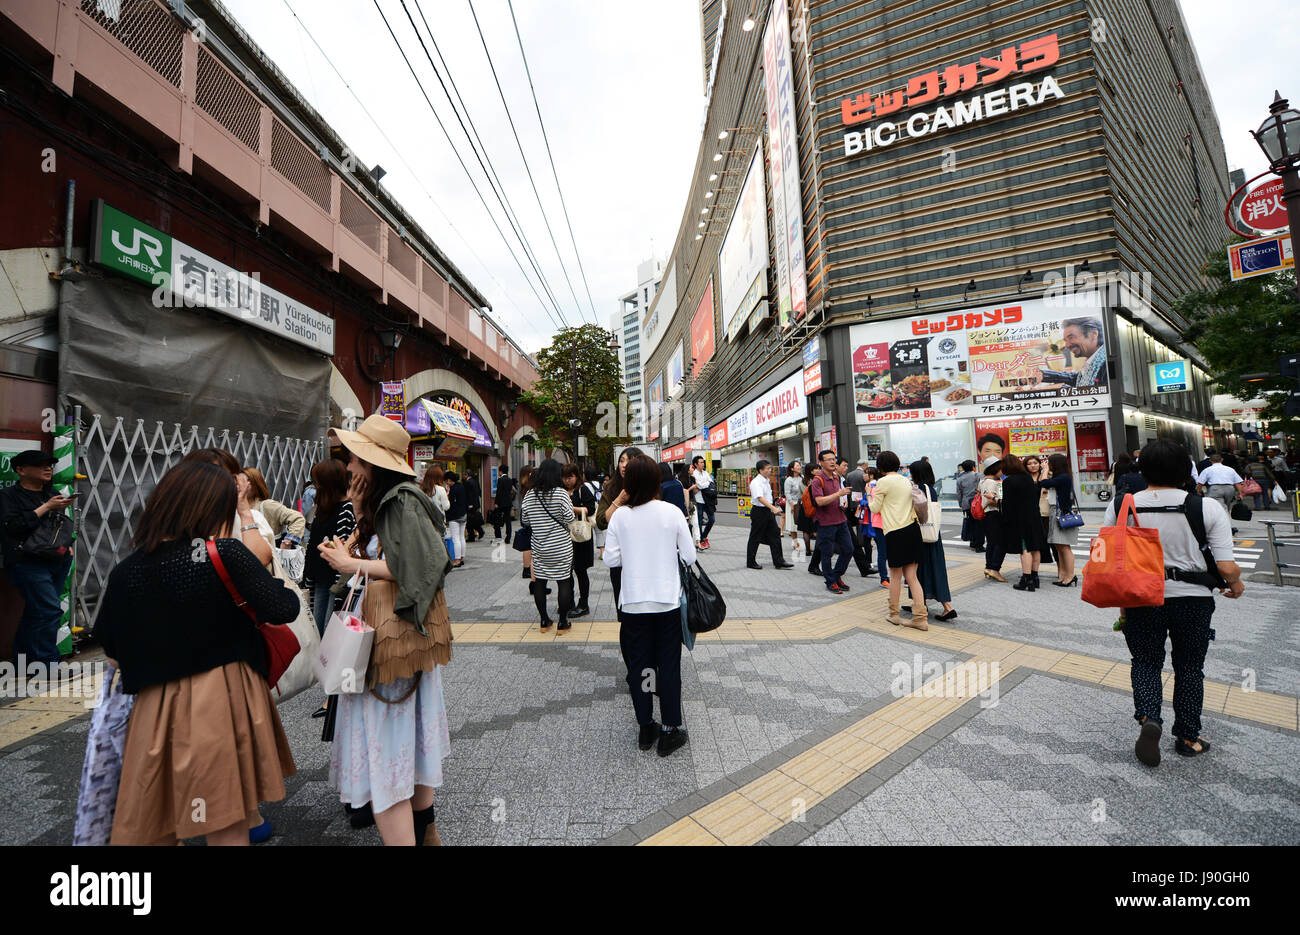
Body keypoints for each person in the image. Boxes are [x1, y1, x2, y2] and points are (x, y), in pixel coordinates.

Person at [94, 461, 301, 845]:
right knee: (225, 822)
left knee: (158, 820)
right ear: (211, 509)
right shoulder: (223, 552)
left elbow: (113, 653)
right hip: (220, 699)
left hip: (153, 711)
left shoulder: (126, 571)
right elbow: (283, 608)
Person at [317, 414, 453, 846]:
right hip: (402, 644)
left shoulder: (398, 501)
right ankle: (426, 831)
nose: (350, 467)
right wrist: (356, 530)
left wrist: (350, 563)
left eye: (355, 457)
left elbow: (416, 567)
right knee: (407, 744)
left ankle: (417, 834)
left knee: (389, 757)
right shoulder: (396, 499)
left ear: (373, 462)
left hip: (392, 646)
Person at [1104, 439, 1244, 765]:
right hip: (1193, 600)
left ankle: (1149, 718)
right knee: (1190, 667)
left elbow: (1112, 556)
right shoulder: (1205, 507)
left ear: (1143, 470)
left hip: (1140, 596)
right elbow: (1225, 566)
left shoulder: (1123, 504)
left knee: (1146, 662)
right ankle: (1188, 737)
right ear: (1186, 471)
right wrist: (1236, 584)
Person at [602, 455, 695, 757]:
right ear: (657, 480)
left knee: (640, 667)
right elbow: (690, 556)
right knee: (668, 665)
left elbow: (611, 560)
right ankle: (670, 730)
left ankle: (645, 727)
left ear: (627, 484)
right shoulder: (672, 512)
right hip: (666, 601)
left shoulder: (620, 517)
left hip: (632, 604)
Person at [1, 450, 74, 670]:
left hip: (56, 560)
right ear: (20, 470)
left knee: (36, 611)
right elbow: (12, 527)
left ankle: (23, 662)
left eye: (50, 464)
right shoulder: (7, 496)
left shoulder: (50, 493)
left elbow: (56, 528)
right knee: (49, 610)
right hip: (27, 562)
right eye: (40, 464)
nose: (48, 468)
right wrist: (46, 508)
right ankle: (47, 666)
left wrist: (67, 546)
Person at [869, 451, 926, 629]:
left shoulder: (882, 482)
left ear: (880, 466)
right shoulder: (905, 479)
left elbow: (874, 508)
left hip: (895, 531)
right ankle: (921, 618)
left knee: (895, 576)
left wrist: (869, 493)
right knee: (912, 577)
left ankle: (894, 614)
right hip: (913, 529)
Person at [303, 459, 358, 636]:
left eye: (317, 481)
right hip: (319, 574)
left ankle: (328, 662)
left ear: (328, 483)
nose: (314, 485)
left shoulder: (346, 509)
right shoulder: (323, 507)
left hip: (335, 578)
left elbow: (343, 545)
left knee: (330, 628)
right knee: (317, 628)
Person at [521, 458, 576, 632]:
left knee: (539, 582)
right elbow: (570, 518)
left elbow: (525, 520)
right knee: (564, 582)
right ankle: (563, 622)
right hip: (561, 546)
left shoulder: (530, 494)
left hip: (539, 546)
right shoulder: (561, 493)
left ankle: (544, 621)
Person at [596, 447, 645, 611]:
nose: (624, 465)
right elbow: (601, 521)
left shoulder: (650, 488)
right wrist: (619, 500)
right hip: (620, 558)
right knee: (623, 609)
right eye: (621, 461)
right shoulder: (611, 488)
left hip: (645, 556)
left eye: (629, 461)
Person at [906, 460, 957, 621]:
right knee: (932, 569)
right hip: (932, 535)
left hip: (922, 535)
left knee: (924, 569)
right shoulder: (931, 488)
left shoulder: (920, 488)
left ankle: (948, 607)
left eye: (911, 472)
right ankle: (919, 602)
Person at [808, 449, 854, 594]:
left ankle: (836, 575)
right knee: (826, 554)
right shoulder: (818, 480)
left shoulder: (836, 477)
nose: (833, 462)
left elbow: (837, 497)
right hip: (825, 522)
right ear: (821, 463)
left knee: (848, 550)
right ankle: (830, 581)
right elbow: (819, 501)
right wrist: (838, 494)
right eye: (828, 459)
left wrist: (842, 501)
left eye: (834, 459)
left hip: (841, 519)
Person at [999, 454, 1047, 591]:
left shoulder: (1008, 481)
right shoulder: (1027, 478)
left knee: (1025, 548)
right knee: (1035, 546)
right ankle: (1035, 576)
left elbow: (1007, 505)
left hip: (1020, 519)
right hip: (1034, 516)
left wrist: (1005, 519)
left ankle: (1026, 579)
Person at [1038, 453, 1080, 586]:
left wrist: (1044, 470)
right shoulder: (1060, 477)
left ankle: (1071, 576)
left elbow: (1043, 483)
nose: (1048, 464)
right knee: (1058, 546)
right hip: (1055, 511)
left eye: (1049, 462)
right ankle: (1063, 576)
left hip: (1061, 512)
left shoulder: (1063, 477)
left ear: (1055, 464)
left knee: (1064, 547)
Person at [241, 466, 307, 548]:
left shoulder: (267, 505)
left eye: (248, 481)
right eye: (239, 482)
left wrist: (288, 541)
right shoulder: (233, 509)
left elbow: (297, 518)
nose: (242, 486)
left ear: (256, 485)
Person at [1033, 317, 1107, 388]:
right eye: (1065, 340)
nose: (1067, 346)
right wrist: (1044, 375)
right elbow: (1078, 378)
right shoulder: (1094, 360)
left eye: (1071, 337)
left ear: (1093, 335)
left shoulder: (1106, 366)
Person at [746, 460, 792, 570]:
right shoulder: (756, 482)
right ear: (761, 470)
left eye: (770, 468)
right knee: (755, 537)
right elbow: (760, 498)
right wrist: (773, 508)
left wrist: (772, 508)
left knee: (775, 534)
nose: (770, 470)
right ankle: (751, 562)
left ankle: (779, 561)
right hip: (759, 512)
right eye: (768, 468)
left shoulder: (766, 480)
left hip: (768, 511)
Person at [563, 463, 595, 618]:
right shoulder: (561, 491)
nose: (567, 480)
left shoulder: (583, 490)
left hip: (581, 536)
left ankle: (583, 604)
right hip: (565, 536)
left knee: (581, 571)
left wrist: (572, 508)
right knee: (566, 571)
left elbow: (591, 509)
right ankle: (568, 602)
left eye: (570, 477)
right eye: (564, 477)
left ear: (576, 476)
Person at [979, 458, 1008, 582]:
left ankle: (988, 567)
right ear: (995, 468)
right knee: (1000, 542)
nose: (1002, 471)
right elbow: (991, 500)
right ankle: (995, 569)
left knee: (991, 542)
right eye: (1001, 469)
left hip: (986, 515)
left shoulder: (983, 481)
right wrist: (1002, 502)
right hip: (994, 514)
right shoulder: (992, 482)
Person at [1024, 454, 1054, 567]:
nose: (1033, 466)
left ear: (1040, 464)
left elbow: (1046, 485)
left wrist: (1045, 471)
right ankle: (1032, 569)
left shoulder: (1046, 476)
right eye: (1029, 464)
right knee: (1033, 543)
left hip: (1045, 512)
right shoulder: (1025, 478)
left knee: (1047, 540)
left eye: (1035, 463)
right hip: (1030, 514)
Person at [866, 467, 889, 586]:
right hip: (880, 524)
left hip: (887, 523)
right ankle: (884, 578)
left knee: (887, 551)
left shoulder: (876, 488)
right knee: (883, 552)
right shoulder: (875, 489)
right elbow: (876, 507)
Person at [955, 460, 983, 552]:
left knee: (970, 523)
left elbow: (959, 494)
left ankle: (972, 542)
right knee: (979, 525)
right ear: (973, 467)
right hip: (977, 503)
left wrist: (960, 504)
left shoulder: (959, 479)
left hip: (966, 504)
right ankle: (979, 546)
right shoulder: (978, 476)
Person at [690, 455, 717, 548]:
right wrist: (704, 485)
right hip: (699, 501)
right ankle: (700, 540)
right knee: (699, 522)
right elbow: (699, 485)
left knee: (712, 519)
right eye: (701, 462)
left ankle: (704, 536)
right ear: (696, 464)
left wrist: (702, 485)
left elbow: (711, 483)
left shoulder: (705, 473)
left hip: (708, 500)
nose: (703, 464)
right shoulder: (694, 474)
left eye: (703, 462)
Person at [444, 471, 467, 567]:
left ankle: (457, 560)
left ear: (449, 480)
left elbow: (450, 504)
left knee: (455, 538)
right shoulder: (461, 486)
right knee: (461, 537)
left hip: (454, 516)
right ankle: (462, 557)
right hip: (463, 515)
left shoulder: (453, 489)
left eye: (446, 481)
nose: (446, 483)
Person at [783, 460, 805, 555]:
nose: (799, 467)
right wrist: (792, 505)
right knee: (793, 525)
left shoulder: (802, 478)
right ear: (792, 469)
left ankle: (807, 543)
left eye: (799, 465)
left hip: (802, 503)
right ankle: (796, 543)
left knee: (803, 524)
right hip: (792, 503)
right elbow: (787, 493)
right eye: (797, 466)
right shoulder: (789, 480)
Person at [493, 466, 515, 543]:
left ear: (501, 471)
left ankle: (498, 537)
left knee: (497, 520)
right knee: (508, 520)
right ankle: (508, 538)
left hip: (501, 503)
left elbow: (498, 492)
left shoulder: (500, 480)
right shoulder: (509, 480)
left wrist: (496, 503)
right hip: (508, 503)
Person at [462, 471, 484, 542]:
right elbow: (478, 492)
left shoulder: (468, 482)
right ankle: (478, 532)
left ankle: (473, 535)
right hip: (476, 503)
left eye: (464, 475)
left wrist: (470, 504)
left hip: (471, 504)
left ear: (467, 475)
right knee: (473, 520)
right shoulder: (475, 481)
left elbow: (469, 494)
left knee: (470, 520)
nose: (463, 476)